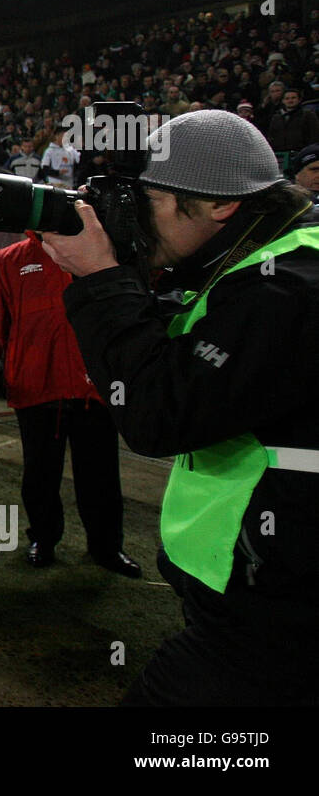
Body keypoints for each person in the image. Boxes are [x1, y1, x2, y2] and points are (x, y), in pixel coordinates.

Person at [42, 109, 319, 705]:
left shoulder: (288, 285)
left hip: (274, 616)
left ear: (219, 206)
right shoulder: (272, 262)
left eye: (154, 200)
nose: (139, 217)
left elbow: (155, 410)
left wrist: (98, 276)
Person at [0, 232, 140, 576]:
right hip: (38, 386)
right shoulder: (11, 259)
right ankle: (44, 539)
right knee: (40, 472)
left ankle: (106, 547)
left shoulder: (101, 249)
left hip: (93, 387)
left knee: (101, 474)